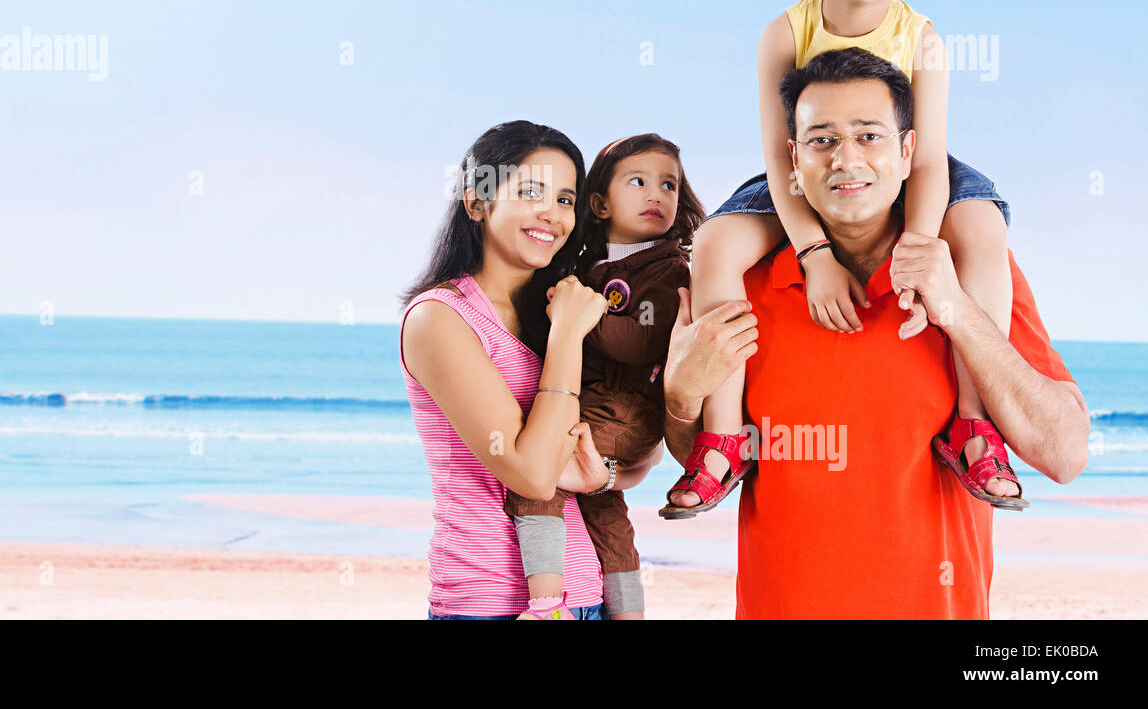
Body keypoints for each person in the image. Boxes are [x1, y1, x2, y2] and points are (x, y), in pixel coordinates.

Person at [662, 48, 1089, 618]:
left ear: (909, 150)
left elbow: (1064, 454)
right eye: (822, 140)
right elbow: (704, 458)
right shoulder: (740, 279)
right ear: (790, 160)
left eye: (869, 136)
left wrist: (955, 310)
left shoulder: (974, 274)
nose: (846, 160)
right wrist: (681, 395)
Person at [665, 0, 1024, 515]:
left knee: (980, 225)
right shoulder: (785, 32)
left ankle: (976, 426)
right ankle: (722, 439)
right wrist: (815, 254)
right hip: (807, 167)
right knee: (714, 245)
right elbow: (781, 158)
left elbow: (929, 157)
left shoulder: (922, 41)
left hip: (904, 160)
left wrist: (918, 253)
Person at [398, 120, 616, 619]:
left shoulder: (556, 310)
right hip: (489, 602)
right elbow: (533, 476)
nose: (552, 214)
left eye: (565, 199)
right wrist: (566, 336)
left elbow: (619, 456)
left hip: (584, 596)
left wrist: (603, 474)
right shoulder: (441, 317)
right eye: (531, 191)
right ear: (477, 203)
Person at [502, 133, 705, 618]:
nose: (657, 194)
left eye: (669, 185)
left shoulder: (667, 269)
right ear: (600, 202)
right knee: (606, 513)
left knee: (542, 473)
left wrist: (577, 317)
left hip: (624, 412)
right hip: (601, 410)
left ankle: (546, 602)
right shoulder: (590, 264)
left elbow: (641, 341)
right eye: (638, 182)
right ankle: (628, 611)